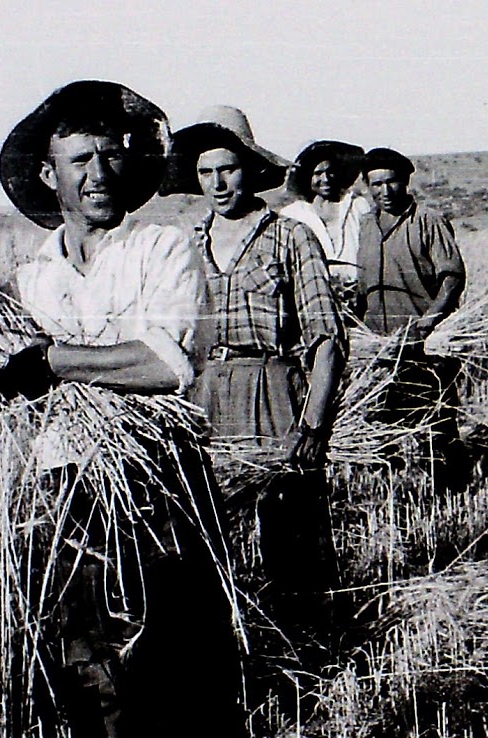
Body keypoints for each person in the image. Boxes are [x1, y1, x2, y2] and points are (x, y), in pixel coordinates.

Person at [0, 81, 247, 738]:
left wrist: (51, 360)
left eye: (111, 156)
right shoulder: (30, 281)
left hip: (160, 483)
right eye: (80, 160)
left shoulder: (162, 249)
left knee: (184, 664)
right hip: (68, 491)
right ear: (48, 175)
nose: (99, 173)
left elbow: (165, 363)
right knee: (87, 668)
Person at [164, 106, 346, 609]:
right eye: (206, 172)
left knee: (290, 531)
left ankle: (308, 637)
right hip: (203, 399)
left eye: (228, 169)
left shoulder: (290, 236)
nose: (218, 183)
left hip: (274, 394)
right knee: (205, 537)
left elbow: (327, 338)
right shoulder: (187, 245)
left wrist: (314, 426)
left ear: (251, 169)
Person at [355, 146, 469, 491]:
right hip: (379, 343)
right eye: (376, 184)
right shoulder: (366, 225)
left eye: (391, 182)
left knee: (436, 418)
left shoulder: (428, 220)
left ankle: (451, 489)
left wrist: (430, 321)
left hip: (423, 341)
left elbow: (452, 277)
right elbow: (361, 284)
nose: (385, 191)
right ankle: (395, 492)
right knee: (382, 419)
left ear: (405, 182)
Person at [279, 139, 371, 303]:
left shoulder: (357, 205)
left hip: (359, 295)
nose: (326, 178)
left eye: (330, 171)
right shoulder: (293, 214)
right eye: (318, 174)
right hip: (314, 297)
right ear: (307, 176)